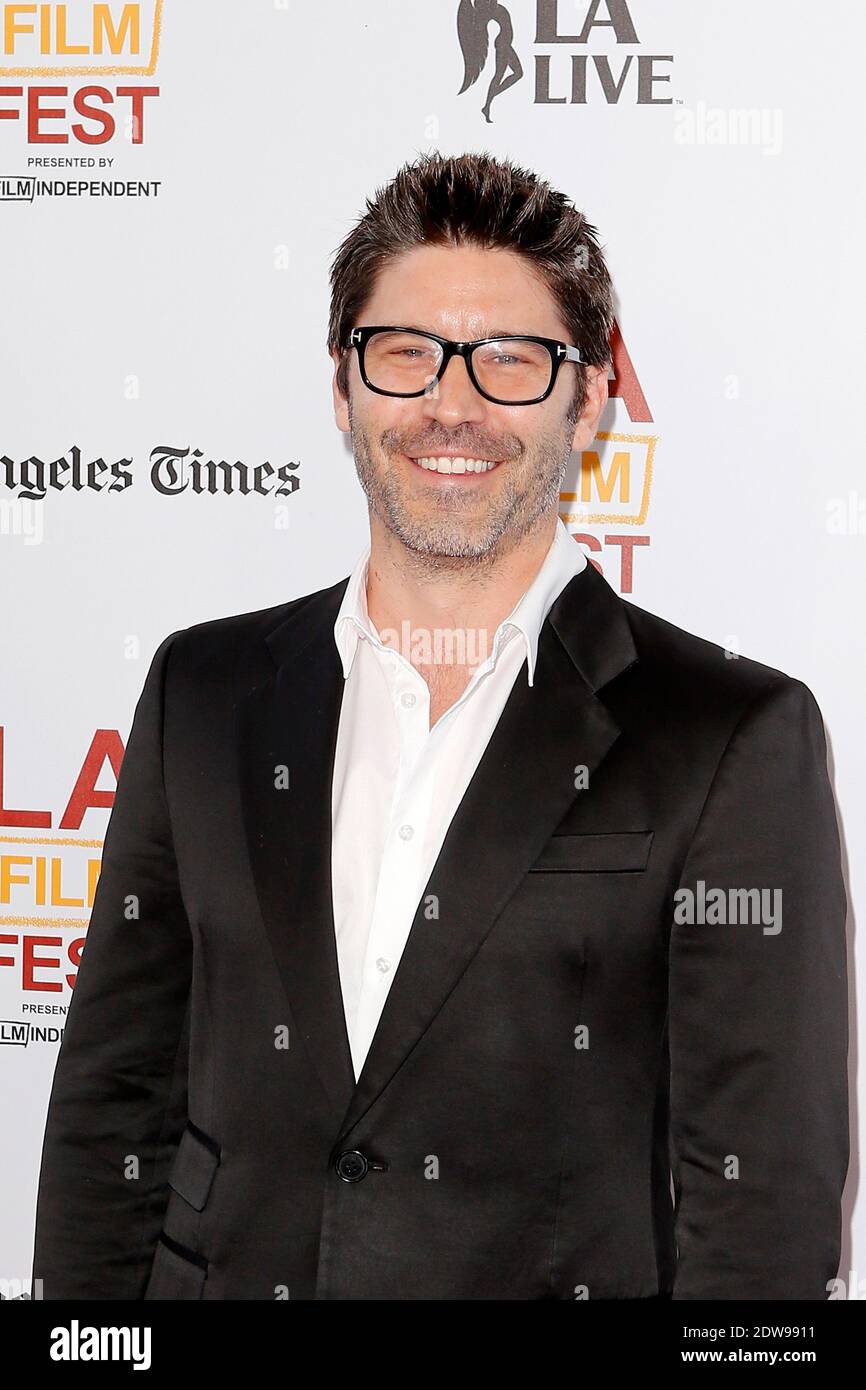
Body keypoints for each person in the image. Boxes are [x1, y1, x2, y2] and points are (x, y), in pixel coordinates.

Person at [32, 151, 849, 1300]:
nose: (450, 404)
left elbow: (761, 1217)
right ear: (342, 388)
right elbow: (112, 1112)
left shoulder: (726, 734)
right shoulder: (201, 695)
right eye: (405, 352)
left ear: (589, 399)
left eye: (510, 360)